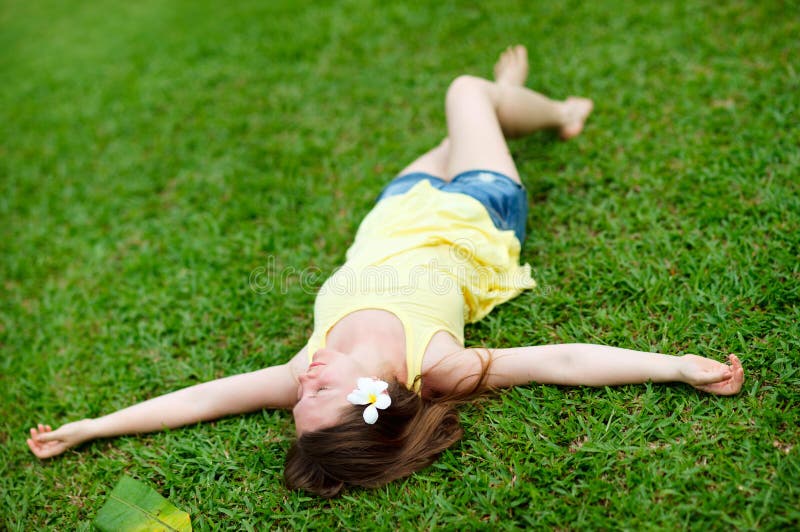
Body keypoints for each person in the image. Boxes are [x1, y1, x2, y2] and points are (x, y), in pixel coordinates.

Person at [27, 45, 745, 497]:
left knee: (466, 122)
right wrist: (674, 367)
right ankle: (556, 109)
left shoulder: (306, 368)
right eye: (318, 393)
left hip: (399, 203)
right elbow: (561, 360)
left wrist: (94, 426)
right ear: (373, 396)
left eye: (299, 399)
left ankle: (511, 101)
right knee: (465, 95)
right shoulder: (438, 366)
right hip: (480, 206)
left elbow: (203, 399)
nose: (304, 383)